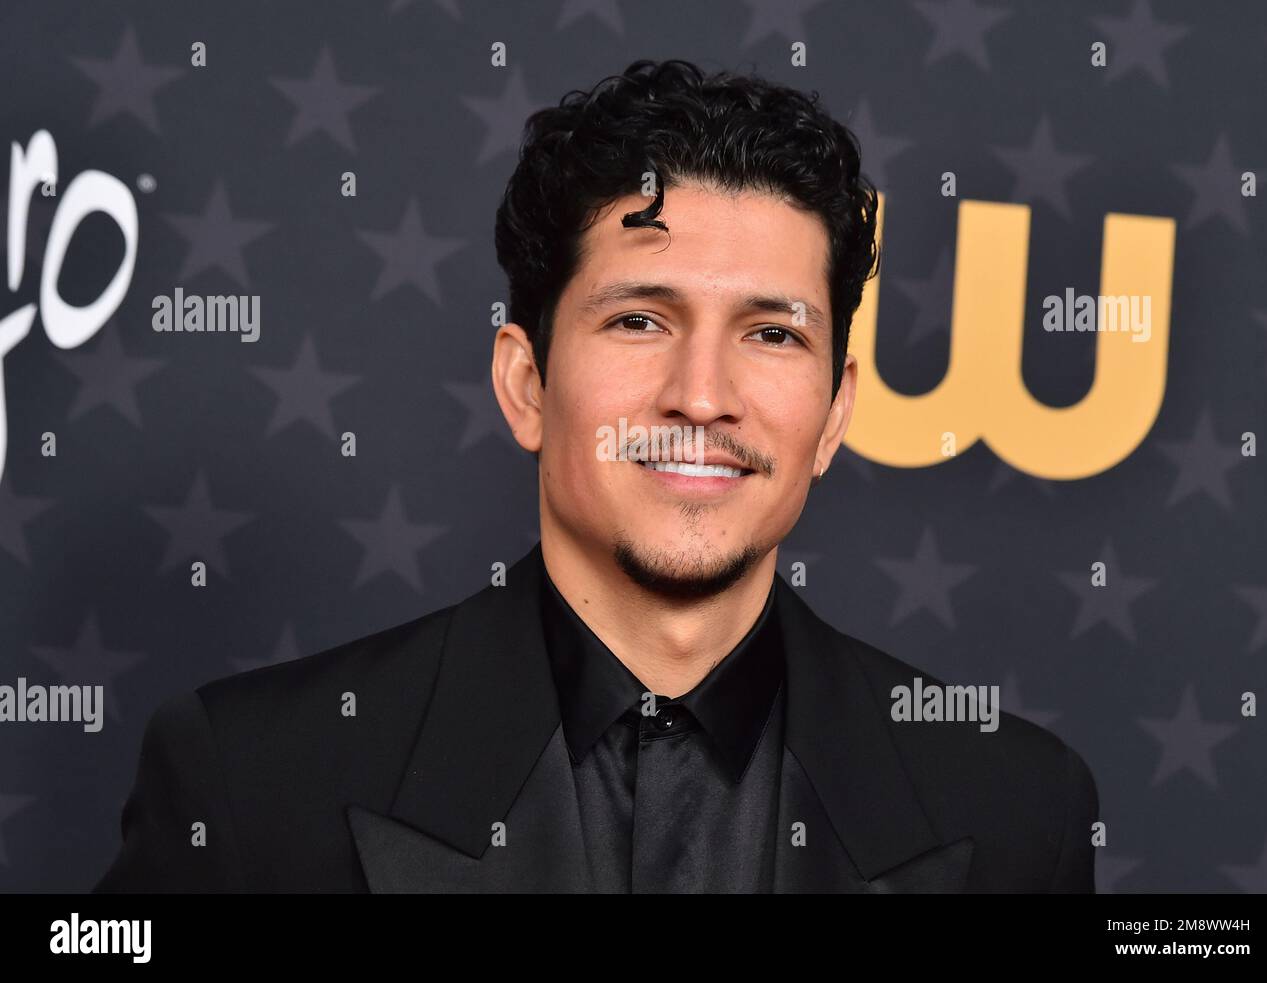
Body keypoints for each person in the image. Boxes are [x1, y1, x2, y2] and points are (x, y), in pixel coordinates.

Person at [94, 59, 1097, 893]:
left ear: (835, 413)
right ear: (526, 382)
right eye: (639, 321)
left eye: (770, 332)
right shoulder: (249, 783)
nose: (702, 395)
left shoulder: (1016, 809)